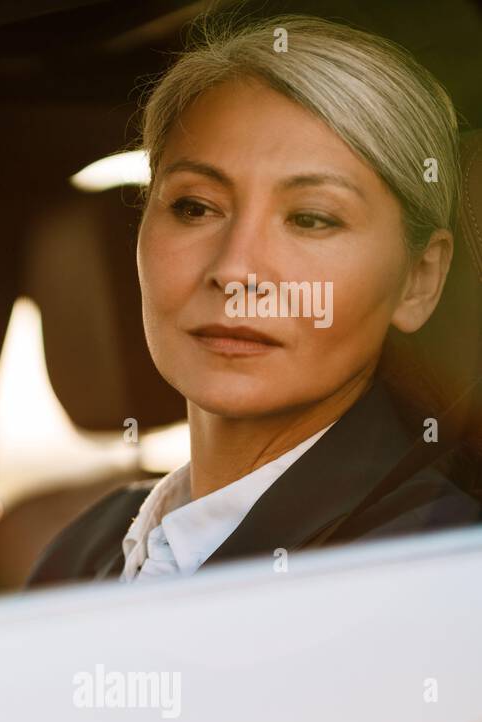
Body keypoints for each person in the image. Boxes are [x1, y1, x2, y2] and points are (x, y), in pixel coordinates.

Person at [28, 15, 481, 586]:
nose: (236, 270)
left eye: (312, 218)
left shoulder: (428, 572)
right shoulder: (85, 547)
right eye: (195, 206)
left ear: (419, 279)